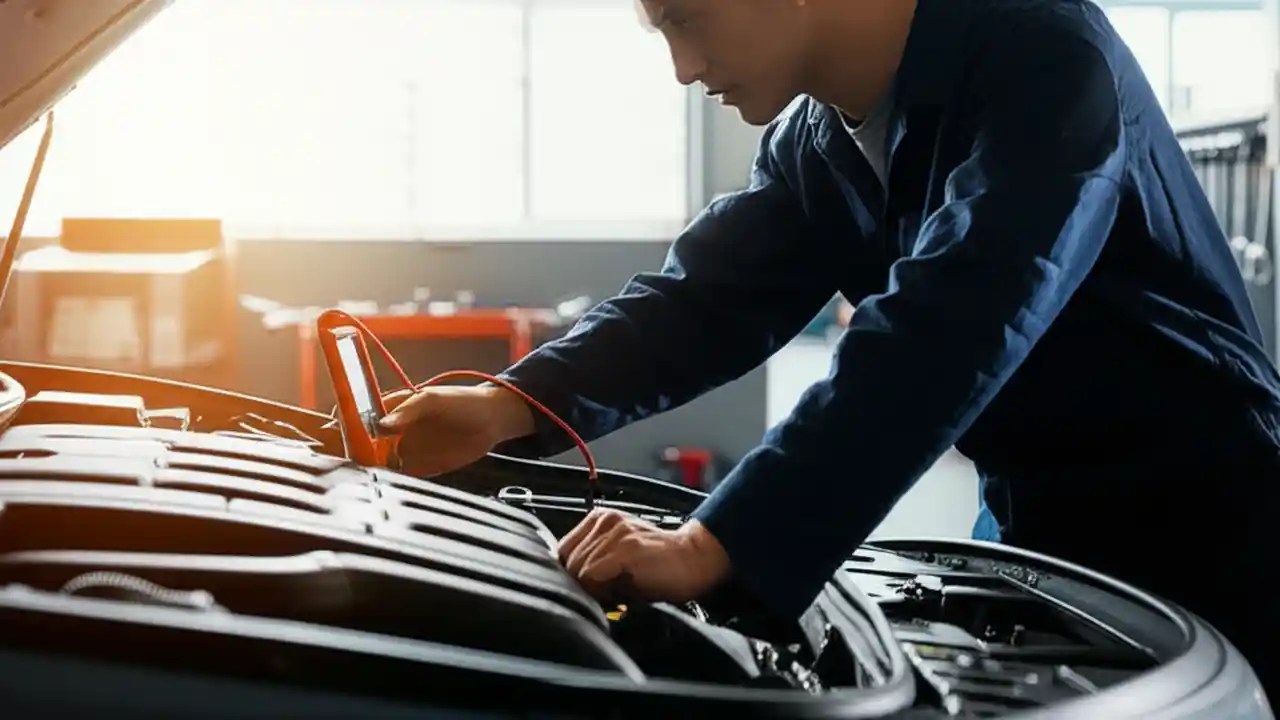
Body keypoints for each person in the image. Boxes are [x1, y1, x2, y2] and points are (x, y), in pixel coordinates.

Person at [381, 0, 1280, 696]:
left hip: (1209, 518)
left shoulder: (1043, 51)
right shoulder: (816, 141)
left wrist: (713, 542)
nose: (685, 67)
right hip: (1034, 515)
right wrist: (508, 404)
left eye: (687, 19)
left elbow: (955, 316)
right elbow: (704, 300)